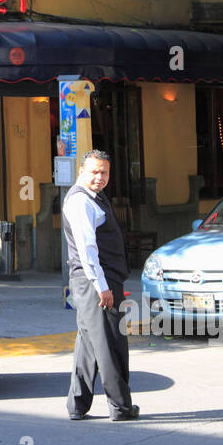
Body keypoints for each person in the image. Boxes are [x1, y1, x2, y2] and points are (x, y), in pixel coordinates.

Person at [63, 149, 138, 422]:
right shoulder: (80, 201)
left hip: (97, 280)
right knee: (109, 344)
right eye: (94, 171)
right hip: (96, 281)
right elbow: (87, 249)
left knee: (89, 344)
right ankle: (120, 406)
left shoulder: (94, 198)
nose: (99, 177)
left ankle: (77, 404)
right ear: (82, 171)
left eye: (104, 172)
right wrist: (101, 286)